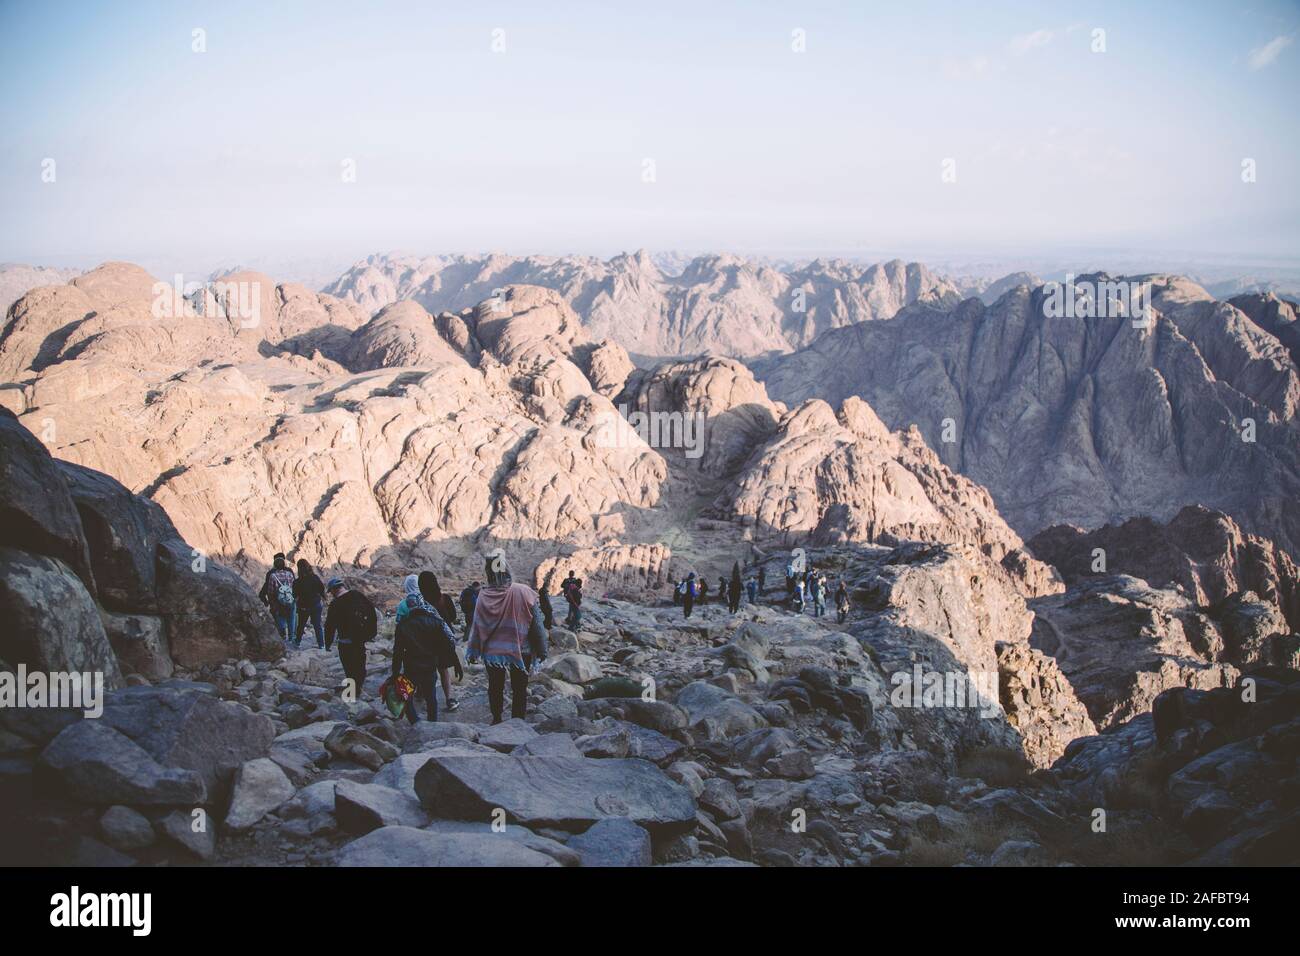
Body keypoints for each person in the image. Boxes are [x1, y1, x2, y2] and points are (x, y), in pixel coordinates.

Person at [465, 550, 548, 724]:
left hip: (492, 652)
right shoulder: (523, 591)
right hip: (521, 649)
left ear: (489, 572)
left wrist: (473, 650)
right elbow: (536, 624)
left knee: (495, 687)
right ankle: (518, 722)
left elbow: (478, 626)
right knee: (519, 688)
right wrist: (542, 650)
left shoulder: (483, 595)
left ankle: (496, 719)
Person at [392, 576, 462, 723]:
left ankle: (414, 721)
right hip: (430, 663)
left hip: (411, 665)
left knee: (407, 696)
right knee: (431, 697)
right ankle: (432, 723)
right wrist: (453, 660)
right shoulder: (435, 622)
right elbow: (449, 641)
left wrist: (395, 673)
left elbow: (397, 651)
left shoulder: (403, 625)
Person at [324, 577, 377, 698]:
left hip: (345, 641)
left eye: (331, 592)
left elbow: (330, 626)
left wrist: (328, 643)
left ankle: (353, 691)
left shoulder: (335, 604)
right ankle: (358, 687)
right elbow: (371, 612)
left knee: (349, 666)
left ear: (333, 590)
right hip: (360, 638)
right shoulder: (358, 595)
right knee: (360, 664)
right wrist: (371, 633)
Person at [419, 571, 461, 712]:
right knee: (444, 671)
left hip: (425, 643)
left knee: (427, 672)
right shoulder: (445, 599)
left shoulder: (421, 603)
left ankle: (427, 700)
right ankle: (449, 699)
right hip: (443, 641)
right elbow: (453, 617)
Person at [259, 553, 297, 643]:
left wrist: (269, 602)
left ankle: (282, 634)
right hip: (290, 599)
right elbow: (294, 586)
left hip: (278, 601)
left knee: (280, 617)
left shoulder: (272, 574)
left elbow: (270, 590)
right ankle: (292, 636)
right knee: (292, 617)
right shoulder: (289, 573)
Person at [292, 558, 326, 648]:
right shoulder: (315, 577)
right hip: (316, 604)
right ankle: (321, 644)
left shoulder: (297, 582)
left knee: (301, 625)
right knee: (317, 625)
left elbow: (294, 595)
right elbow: (321, 589)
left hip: (304, 606)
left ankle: (297, 642)